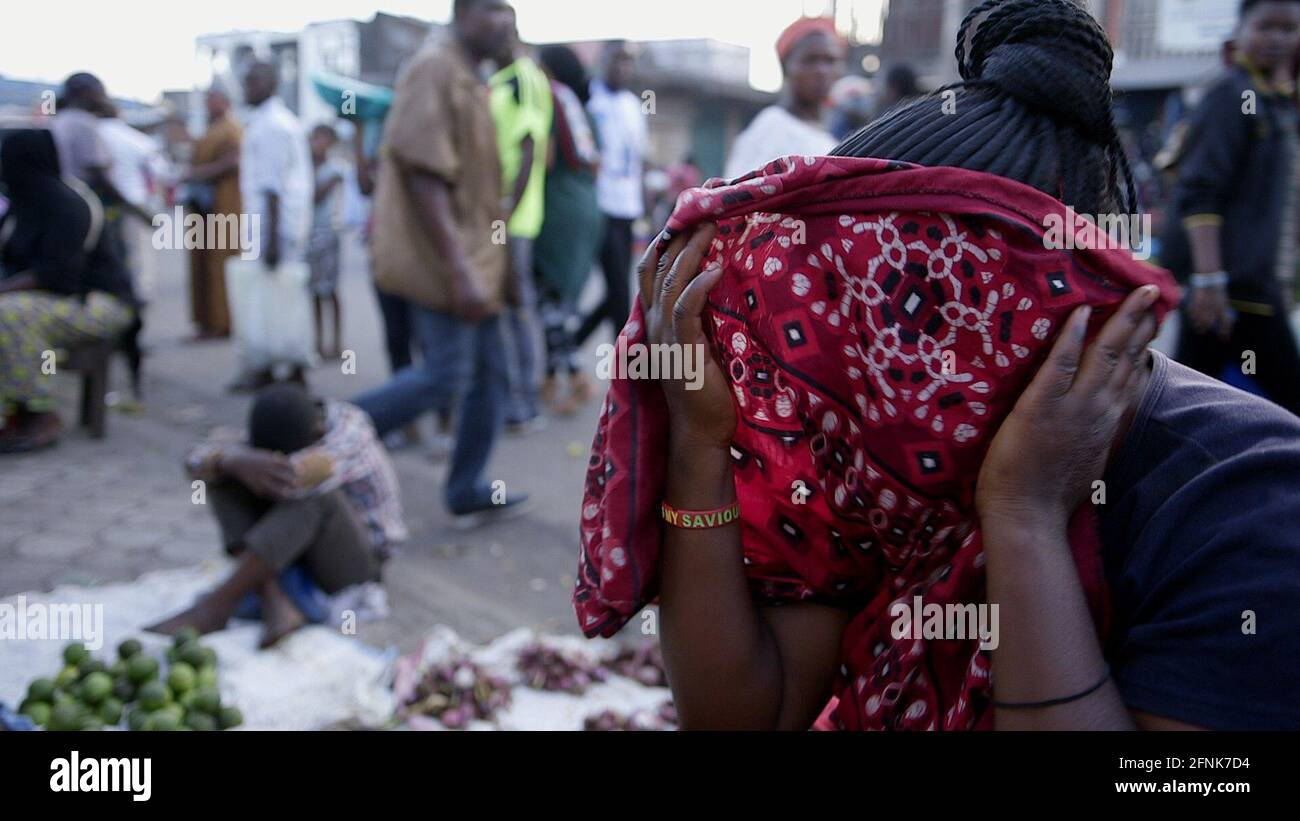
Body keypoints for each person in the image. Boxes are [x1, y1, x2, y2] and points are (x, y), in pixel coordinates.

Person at [575, 0, 1300, 731]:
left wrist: (1024, 519)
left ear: (1064, 314)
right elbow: (743, 715)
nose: (872, 366)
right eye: (847, 310)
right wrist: (699, 443)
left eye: (922, 316)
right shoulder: (890, 469)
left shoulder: (1249, 506)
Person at [357, 0, 529, 523]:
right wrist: (459, 269)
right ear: (461, 12)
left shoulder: (471, 77)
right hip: (444, 260)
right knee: (445, 376)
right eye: (491, 9)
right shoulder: (434, 68)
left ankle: (465, 487)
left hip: (476, 256)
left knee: (492, 378)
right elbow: (423, 173)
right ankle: (324, 432)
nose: (504, 20)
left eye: (509, 10)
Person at [147, 383, 406, 648]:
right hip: (301, 550)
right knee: (225, 475)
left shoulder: (348, 433)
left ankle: (218, 605)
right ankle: (273, 597)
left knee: (316, 496)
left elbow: (292, 476)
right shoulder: (286, 425)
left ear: (316, 434)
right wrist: (229, 460)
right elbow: (196, 459)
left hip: (359, 564)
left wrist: (242, 461)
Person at [1163, 0, 1300, 415]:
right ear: (1239, 31)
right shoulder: (1232, 96)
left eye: (1288, 29)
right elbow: (1200, 190)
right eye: (1266, 27)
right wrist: (1209, 281)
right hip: (1231, 295)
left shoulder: (1273, 102)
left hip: (1251, 291)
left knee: (1185, 408)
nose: (1277, 39)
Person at [0, 130, 137, 453]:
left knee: (9, 314)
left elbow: (58, 275)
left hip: (101, 303)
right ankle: (15, 412)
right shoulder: (20, 206)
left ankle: (41, 412)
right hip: (56, 300)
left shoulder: (71, 206)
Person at [229, 60, 314, 392]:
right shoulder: (266, 122)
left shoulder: (273, 126)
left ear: (271, 83)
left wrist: (273, 241)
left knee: (282, 299)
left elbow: (272, 189)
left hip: (275, 231)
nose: (247, 88)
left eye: (253, 82)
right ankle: (266, 368)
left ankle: (293, 370)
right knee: (268, 300)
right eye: (245, 82)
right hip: (270, 229)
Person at [490, 16, 554, 431]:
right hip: (500, 213)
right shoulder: (500, 79)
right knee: (505, 307)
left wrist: (506, 210)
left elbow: (530, 146)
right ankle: (508, 397)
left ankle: (525, 403)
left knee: (516, 306)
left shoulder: (523, 77)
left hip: (513, 216)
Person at [533, 44, 603, 416]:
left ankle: (576, 378)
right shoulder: (582, 113)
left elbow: (541, 160)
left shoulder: (545, 104)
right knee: (558, 304)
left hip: (556, 211)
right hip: (585, 209)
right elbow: (597, 163)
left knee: (550, 305)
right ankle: (549, 379)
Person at [575, 41, 648, 350]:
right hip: (599, 206)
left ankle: (570, 341)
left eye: (627, 61)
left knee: (619, 288)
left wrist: (645, 204)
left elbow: (640, 158)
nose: (622, 66)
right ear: (602, 60)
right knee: (619, 289)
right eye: (616, 59)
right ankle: (628, 366)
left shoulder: (634, 105)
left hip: (628, 207)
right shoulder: (587, 99)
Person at [723, 18, 845, 180]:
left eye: (829, 61)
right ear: (786, 67)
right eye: (810, 60)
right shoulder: (771, 129)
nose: (821, 71)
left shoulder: (827, 138)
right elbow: (738, 196)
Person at [185, 86, 242, 340]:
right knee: (202, 264)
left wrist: (199, 174)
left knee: (221, 265)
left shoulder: (232, 129)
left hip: (224, 205)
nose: (209, 104)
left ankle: (223, 322)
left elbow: (233, 161)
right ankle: (206, 321)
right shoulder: (210, 128)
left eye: (212, 99)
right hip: (203, 208)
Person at [307, 124, 346, 360]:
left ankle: (337, 342)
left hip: (329, 233)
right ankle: (318, 341)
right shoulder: (307, 168)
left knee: (330, 289)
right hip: (310, 234)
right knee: (313, 291)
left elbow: (315, 195)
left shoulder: (334, 169)